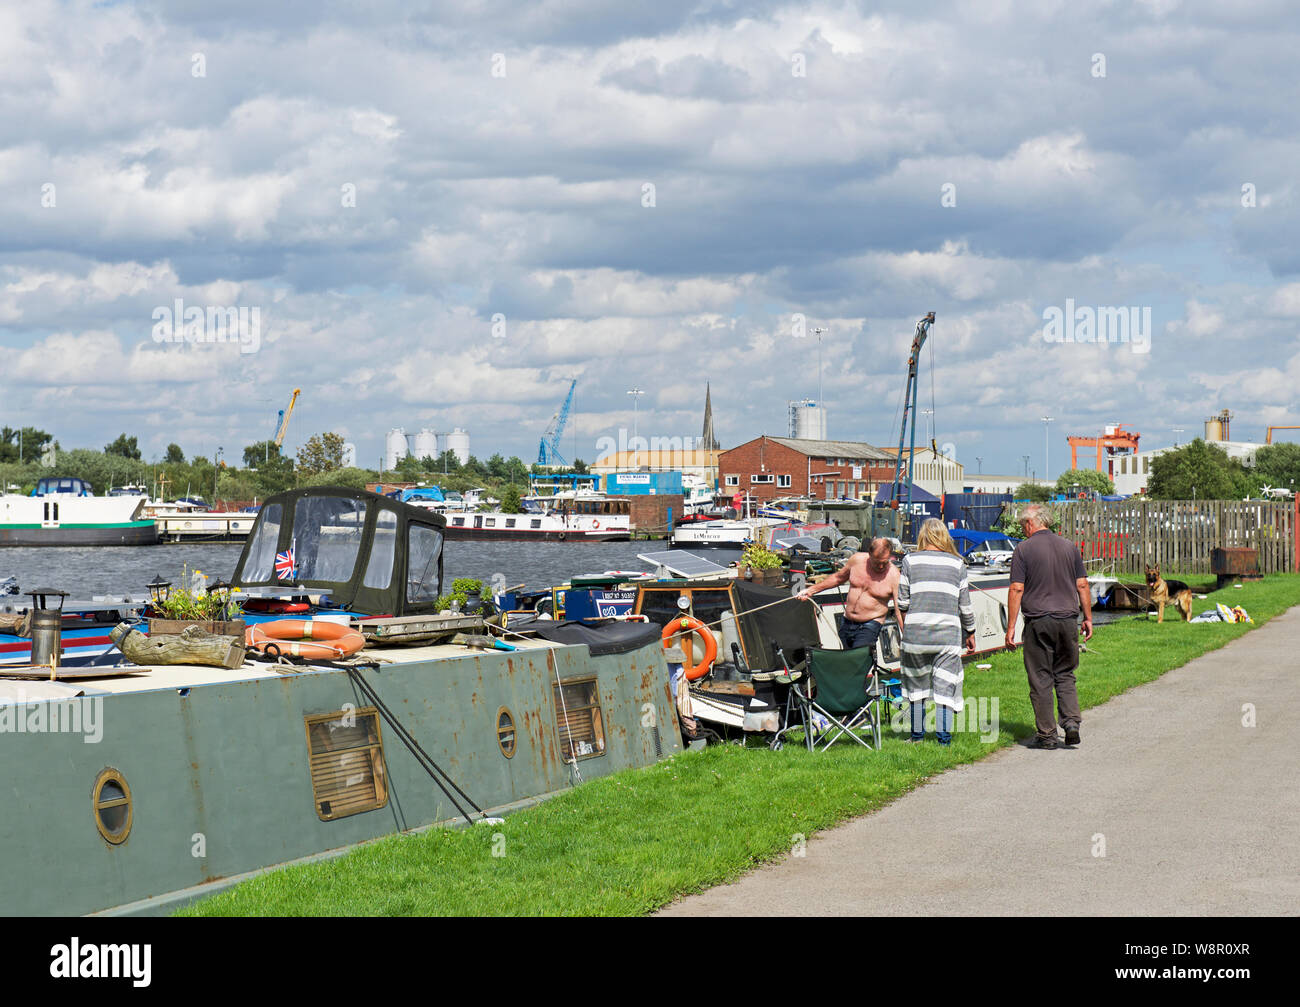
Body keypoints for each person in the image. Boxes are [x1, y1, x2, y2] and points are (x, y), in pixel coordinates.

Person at [1004, 503, 1092, 750]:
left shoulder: (1023, 549)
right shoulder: (1069, 546)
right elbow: (1083, 584)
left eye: (1023, 525)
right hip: (1067, 619)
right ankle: (1071, 723)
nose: (1023, 530)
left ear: (1031, 523)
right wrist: (1087, 617)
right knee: (1065, 673)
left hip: (1038, 621)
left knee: (1041, 677)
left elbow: (1016, 588)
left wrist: (1010, 627)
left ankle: (1047, 735)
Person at [897, 519, 976, 744]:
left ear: (923, 536)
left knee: (916, 684)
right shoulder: (957, 564)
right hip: (947, 635)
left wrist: (908, 626)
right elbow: (965, 605)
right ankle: (944, 740)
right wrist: (970, 632)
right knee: (945, 685)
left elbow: (902, 601)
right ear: (944, 536)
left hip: (915, 634)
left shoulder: (909, 560)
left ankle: (917, 736)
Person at [796, 536, 901, 656]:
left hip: (870, 624)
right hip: (847, 622)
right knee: (846, 661)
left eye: (885, 562)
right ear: (869, 555)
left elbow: (899, 611)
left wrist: (908, 640)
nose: (881, 567)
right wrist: (811, 590)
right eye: (877, 563)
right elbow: (838, 578)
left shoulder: (894, 576)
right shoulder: (857, 560)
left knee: (857, 659)